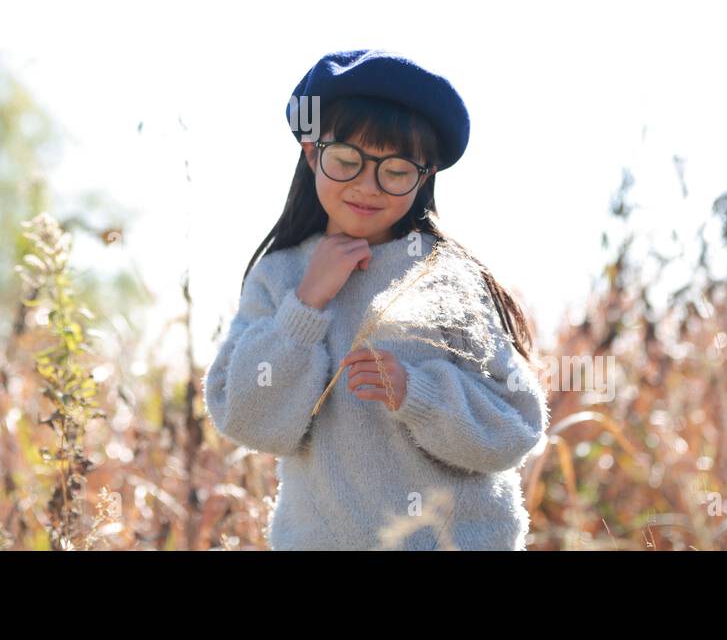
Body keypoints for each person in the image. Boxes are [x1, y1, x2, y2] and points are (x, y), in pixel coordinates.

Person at [201, 48, 549, 550]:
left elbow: (515, 426)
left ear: (424, 176)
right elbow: (243, 418)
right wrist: (305, 306)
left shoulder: (447, 278)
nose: (368, 186)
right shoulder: (280, 276)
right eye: (347, 161)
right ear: (312, 153)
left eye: (397, 170)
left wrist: (418, 393)